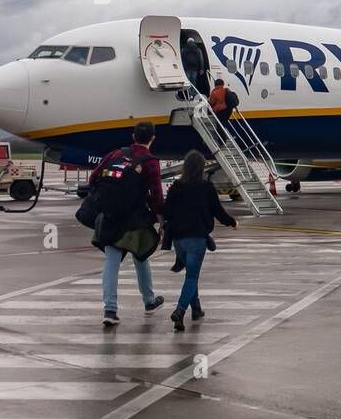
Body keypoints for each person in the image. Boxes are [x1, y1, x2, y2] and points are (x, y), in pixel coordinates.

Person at [88, 121, 165, 326]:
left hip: (111, 216)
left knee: (112, 261)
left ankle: (110, 309)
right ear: (153, 138)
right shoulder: (150, 161)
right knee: (141, 254)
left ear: (133, 137)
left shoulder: (115, 155)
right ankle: (149, 300)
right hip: (136, 218)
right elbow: (157, 196)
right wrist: (161, 220)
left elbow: (93, 178)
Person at [162, 150, 237, 331]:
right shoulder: (206, 187)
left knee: (190, 275)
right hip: (196, 239)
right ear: (202, 167)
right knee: (192, 276)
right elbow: (217, 211)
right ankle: (180, 310)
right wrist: (232, 222)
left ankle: (196, 309)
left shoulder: (176, 187)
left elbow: (167, 212)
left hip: (179, 240)